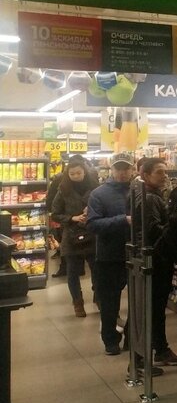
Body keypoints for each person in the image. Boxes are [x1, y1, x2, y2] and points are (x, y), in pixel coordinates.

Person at [129, 157, 177, 368]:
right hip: (156, 258)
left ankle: (157, 351)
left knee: (152, 307)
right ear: (145, 175)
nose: (165, 176)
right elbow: (154, 229)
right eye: (159, 172)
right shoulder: (150, 198)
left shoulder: (145, 193)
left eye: (165, 171)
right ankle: (144, 357)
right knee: (153, 307)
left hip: (150, 256)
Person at [86, 152, 135, 355]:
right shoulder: (98, 194)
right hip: (109, 256)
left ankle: (132, 338)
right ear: (111, 169)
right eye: (118, 168)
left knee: (138, 301)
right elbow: (93, 224)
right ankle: (110, 340)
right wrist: (123, 220)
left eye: (126, 168)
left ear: (132, 169)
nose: (122, 172)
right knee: (109, 303)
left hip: (136, 255)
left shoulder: (139, 190)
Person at [50, 155, 99, 317]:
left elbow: (103, 206)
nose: (76, 176)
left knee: (96, 269)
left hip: (92, 232)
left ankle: (99, 297)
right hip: (71, 235)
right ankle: (77, 303)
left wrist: (92, 212)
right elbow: (55, 213)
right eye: (72, 174)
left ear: (84, 172)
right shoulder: (63, 189)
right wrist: (72, 218)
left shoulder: (95, 188)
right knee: (72, 271)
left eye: (78, 173)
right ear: (67, 174)